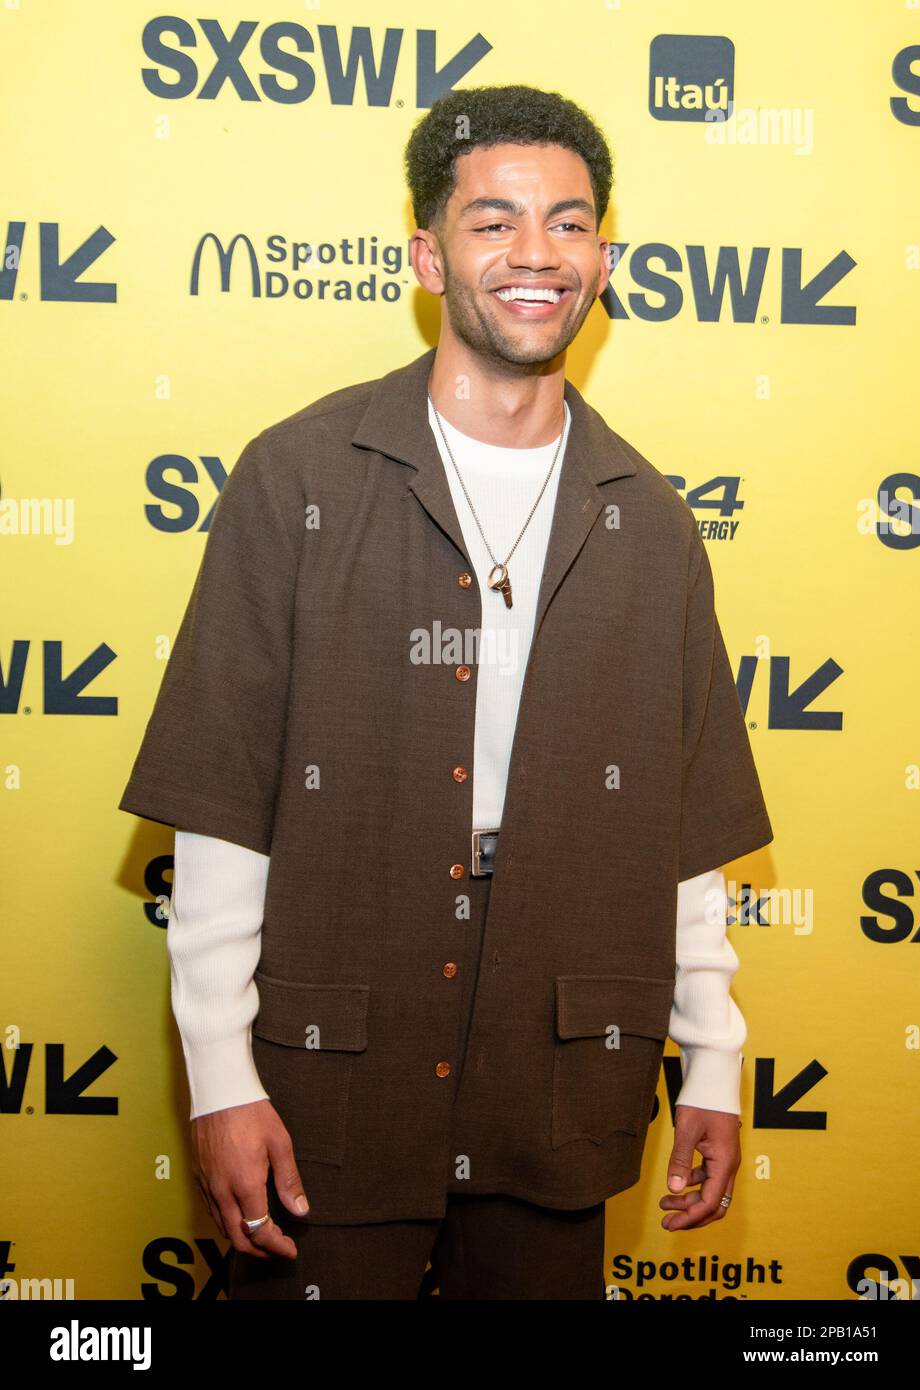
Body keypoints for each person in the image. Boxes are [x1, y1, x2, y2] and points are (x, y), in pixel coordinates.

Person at [119, 83, 773, 1300]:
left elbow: (680, 838)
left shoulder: (652, 520)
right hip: (335, 1061)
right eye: (495, 221)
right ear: (428, 254)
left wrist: (714, 1064)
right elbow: (223, 806)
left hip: (563, 1060)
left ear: (603, 256)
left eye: (570, 223)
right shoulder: (295, 479)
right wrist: (220, 1074)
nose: (537, 255)